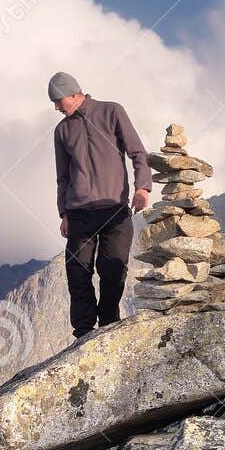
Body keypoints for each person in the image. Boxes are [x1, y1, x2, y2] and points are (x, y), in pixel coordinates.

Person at [49, 71, 151, 337]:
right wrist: (64, 213)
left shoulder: (111, 112)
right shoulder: (62, 131)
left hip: (114, 209)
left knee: (113, 269)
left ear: (74, 94)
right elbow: (62, 176)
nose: (56, 107)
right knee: (77, 271)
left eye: (59, 101)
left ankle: (108, 324)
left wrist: (142, 187)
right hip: (79, 213)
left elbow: (137, 152)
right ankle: (83, 331)